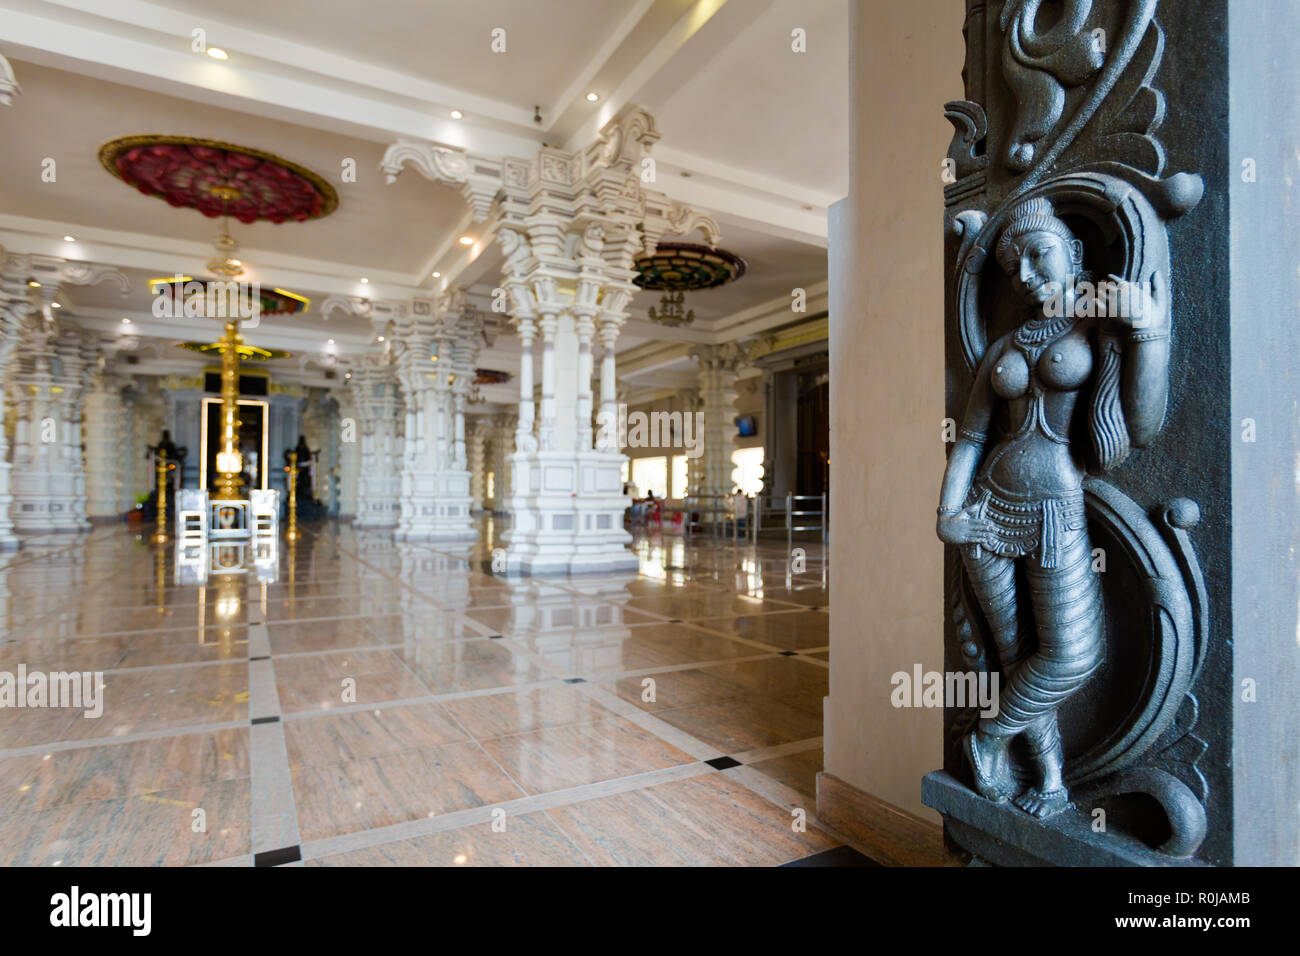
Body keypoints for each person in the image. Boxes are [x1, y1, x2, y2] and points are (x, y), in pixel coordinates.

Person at [936, 196, 1170, 818]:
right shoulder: (1009, 342)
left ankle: (987, 738)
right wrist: (947, 507)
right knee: (1016, 651)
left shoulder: (1096, 329)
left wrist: (1147, 328)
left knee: (1071, 654)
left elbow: (1143, 427)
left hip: (1055, 510)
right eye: (1015, 267)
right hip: (987, 508)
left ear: (1076, 253)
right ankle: (1049, 781)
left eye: (1040, 256)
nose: (1028, 275)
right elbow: (974, 435)